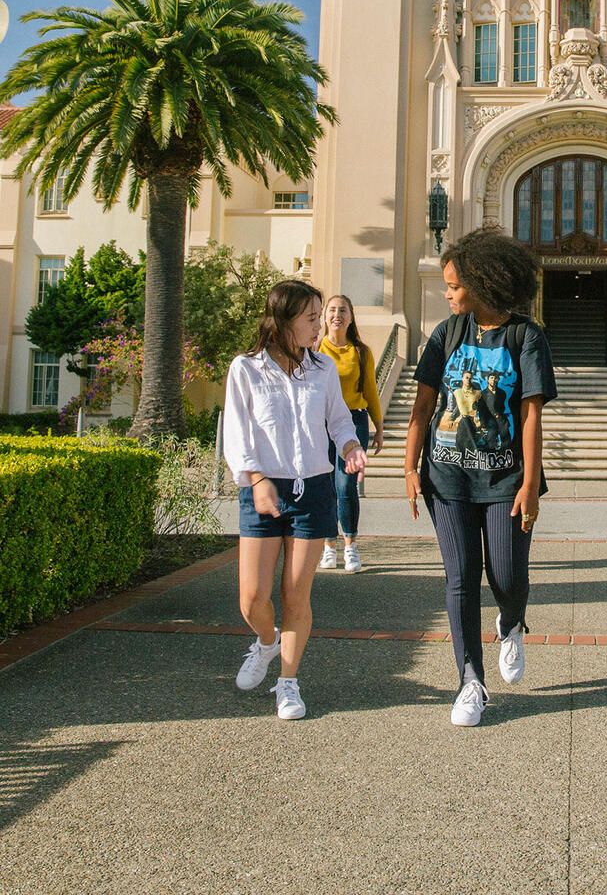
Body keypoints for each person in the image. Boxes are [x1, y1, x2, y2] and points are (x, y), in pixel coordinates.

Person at [404, 228, 557, 727]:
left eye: (454, 285)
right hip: (447, 480)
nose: (447, 293)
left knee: (508, 575)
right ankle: (471, 680)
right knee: (461, 578)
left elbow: (532, 413)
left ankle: (510, 623)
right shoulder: (447, 333)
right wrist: (409, 467)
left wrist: (531, 484)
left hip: (507, 480)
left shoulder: (525, 336)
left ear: (484, 283)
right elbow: (424, 403)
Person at [223, 280, 367, 719]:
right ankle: (266, 642)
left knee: (295, 596)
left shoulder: (322, 368)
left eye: (320, 315)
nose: (319, 324)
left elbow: (340, 420)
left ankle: (288, 682)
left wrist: (349, 446)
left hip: (314, 489)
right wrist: (256, 478)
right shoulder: (246, 368)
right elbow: (237, 433)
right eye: (310, 317)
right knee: (252, 598)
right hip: (263, 489)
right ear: (283, 320)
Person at [317, 294, 385, 573]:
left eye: (342, 310)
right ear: (324, 317)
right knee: (325, 487)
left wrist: (378, 427)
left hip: (354, 422)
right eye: (332, 310)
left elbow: (370, 389)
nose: (337, 315)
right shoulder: (314, 350)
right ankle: (328, 547)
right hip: (321, 424)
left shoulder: (361, 351)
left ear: (351, 316)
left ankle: (350, 545)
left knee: (345, 487)